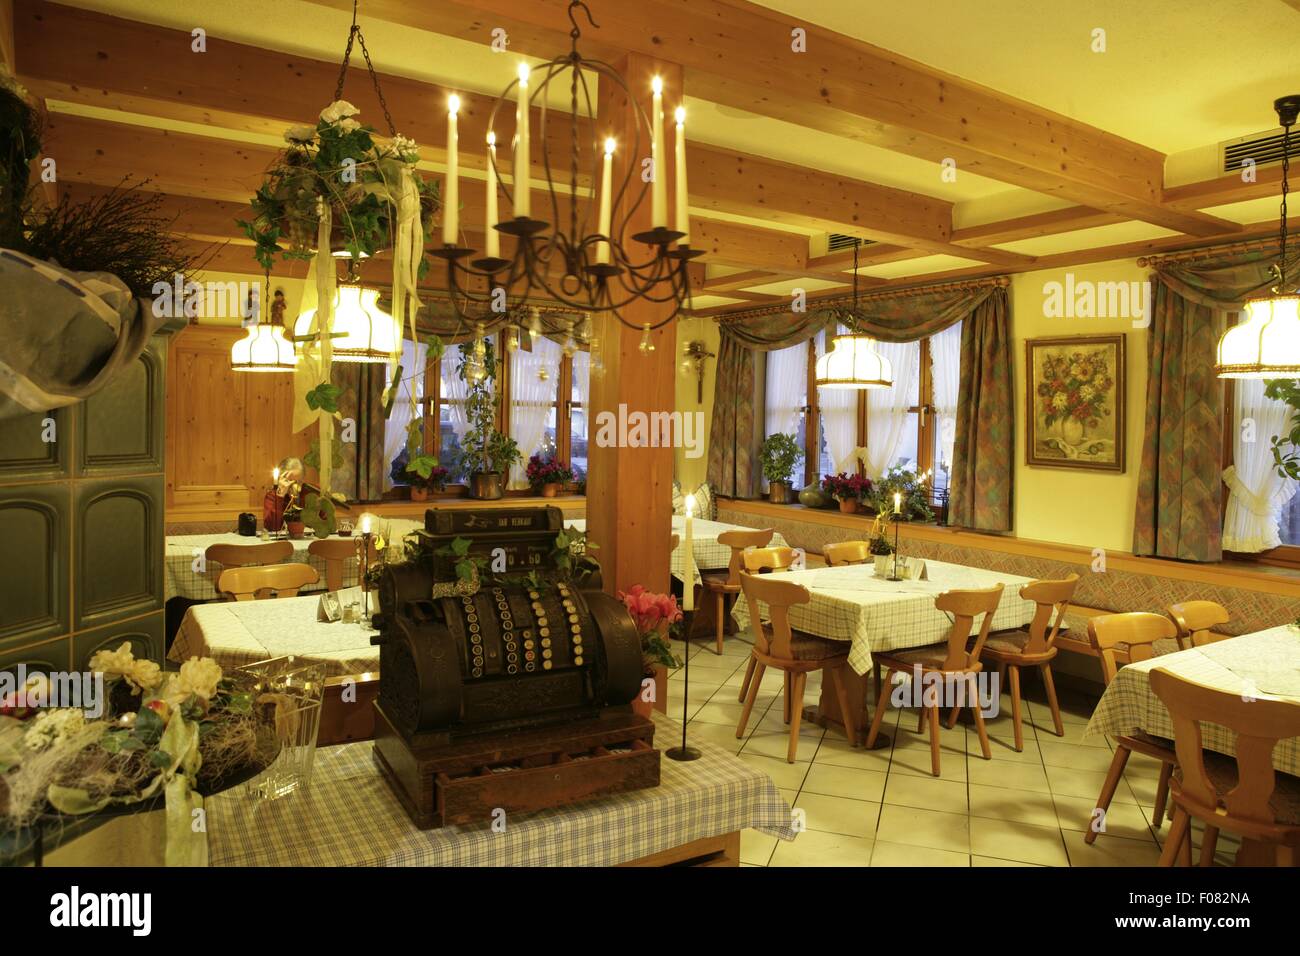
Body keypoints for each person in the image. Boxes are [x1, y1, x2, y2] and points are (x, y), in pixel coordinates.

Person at [263, 456, 304, 532]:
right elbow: (272, 528)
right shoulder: (272, 496)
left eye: (299, 481)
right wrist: (280, 495)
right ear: (281, 479)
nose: (294, 485)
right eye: (290, 481)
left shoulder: (308, 494)